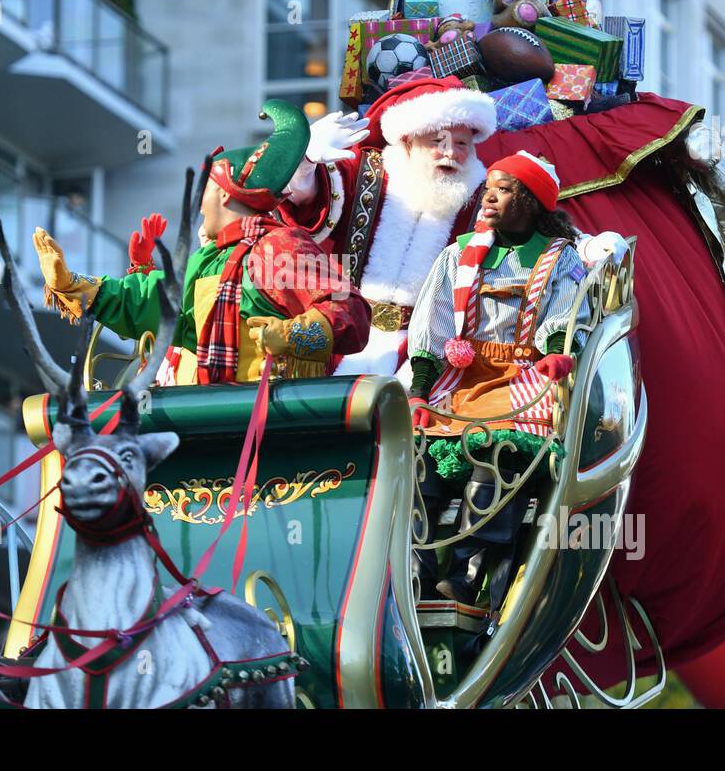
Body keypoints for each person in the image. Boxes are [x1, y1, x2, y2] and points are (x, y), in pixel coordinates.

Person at [32, 100, 371, 385]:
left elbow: (351, 314)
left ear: (223, 193)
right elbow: (150, 302)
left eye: (205, 187)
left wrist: (290, 334)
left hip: (274, 421)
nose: (199, 201)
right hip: (210, 415)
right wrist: (72, 285)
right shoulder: (208, 259)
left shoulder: (276, 246)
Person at [406, 151, 591, 610]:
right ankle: (416, 575)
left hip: (523, 376)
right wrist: (419, 390)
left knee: (498, 450)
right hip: (463, 374)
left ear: (530, 202)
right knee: (421, 453)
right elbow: (434, 321)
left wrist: (555, 356)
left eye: (505, 188)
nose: (489, 194)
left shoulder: (558, 260)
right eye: (489, 184)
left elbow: (568, 316)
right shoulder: (458, 254)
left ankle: (465, 576)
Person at [280, 76, 498, 379]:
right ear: (408, 141)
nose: (451, 153)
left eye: (462, 144)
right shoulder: (365, 173)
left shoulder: (484, 198)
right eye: (437, 142)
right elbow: (304, 201)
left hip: (425, 353)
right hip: (345, 336)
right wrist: (305, 161)